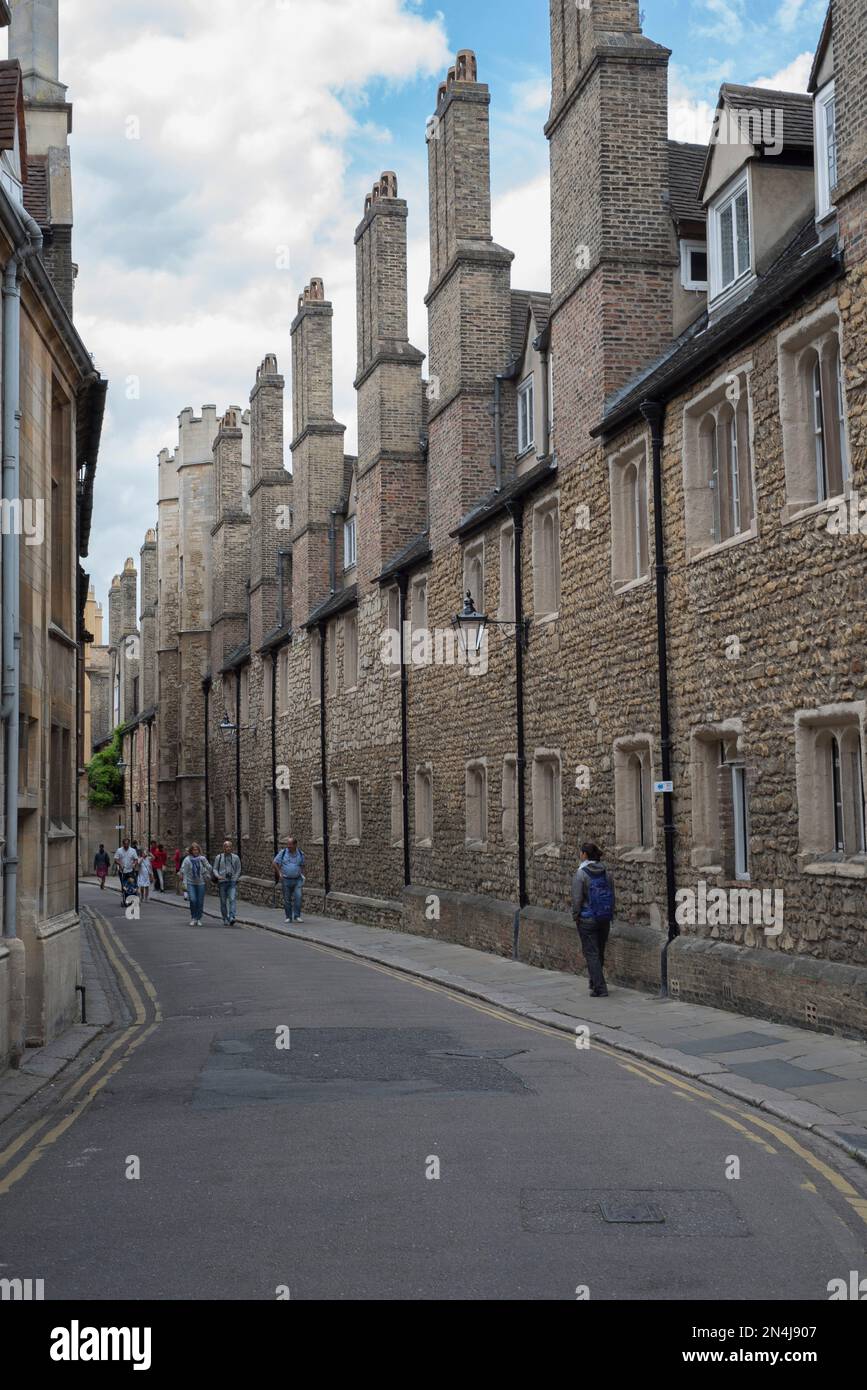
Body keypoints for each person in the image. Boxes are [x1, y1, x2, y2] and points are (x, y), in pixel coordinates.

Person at [571, 841, 615, 998]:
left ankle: (600, 988)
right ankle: (594, 981)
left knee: (591, 953)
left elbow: (577, 900)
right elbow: (612, 895)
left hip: (587, 919)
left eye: (581, 853)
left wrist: (576, 916)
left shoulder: (580, 874)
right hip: (604, 918)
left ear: (584, 855)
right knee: (599, 952)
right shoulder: (606, 872)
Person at [273, 836, 305, 923]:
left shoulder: (301, 853)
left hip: (297, 879)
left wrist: (302, 874)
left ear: (295, 845)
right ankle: (288, 917)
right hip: (286, 879)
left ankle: (297, 916)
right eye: (288, 844)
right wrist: (279, 873)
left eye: (290, 845)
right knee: (287, 899)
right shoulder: (283, 853)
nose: (288, 846)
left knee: (298, 897)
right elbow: (275, 862)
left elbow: (302, 865)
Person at [179, 843, 212, 927]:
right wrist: (184, 883)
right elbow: (184, 872)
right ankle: (193, 918)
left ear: (199, 850)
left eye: (197, 849)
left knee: (200, 902)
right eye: (194, 850)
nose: (195, 851)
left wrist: (205, 863)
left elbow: (210, 868)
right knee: (193, 900)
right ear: (191, 851)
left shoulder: (202, 859)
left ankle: (199, 918)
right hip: (191, 883)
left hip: (201, 883)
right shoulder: (187, 860)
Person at [213, 839, 241, 926]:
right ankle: (225, 918)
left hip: (232, 881)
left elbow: (238, 869)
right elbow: (214, 868)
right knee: (223, 901)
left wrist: (235, 878)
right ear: (223, 848)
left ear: (231, 848)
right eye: (226, 847)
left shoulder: (236, 857)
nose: (228, 848)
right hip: (222, 882)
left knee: (232, 899)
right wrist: (218, 876)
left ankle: (232, 916)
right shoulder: (219, 857)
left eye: (229, 846)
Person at [114, 839, 139, 907]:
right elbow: (116, 859)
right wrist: (120, 864)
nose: (126, 846)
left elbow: (136, 859)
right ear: (123, 844)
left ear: (129, 844)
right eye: (125, 844)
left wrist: (134, 864)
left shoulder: (132, 851)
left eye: (127, 844)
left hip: (130, 871)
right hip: (122, 871)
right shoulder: (119, 850)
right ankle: (125, 900)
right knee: (124, 886)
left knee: (132, 885)